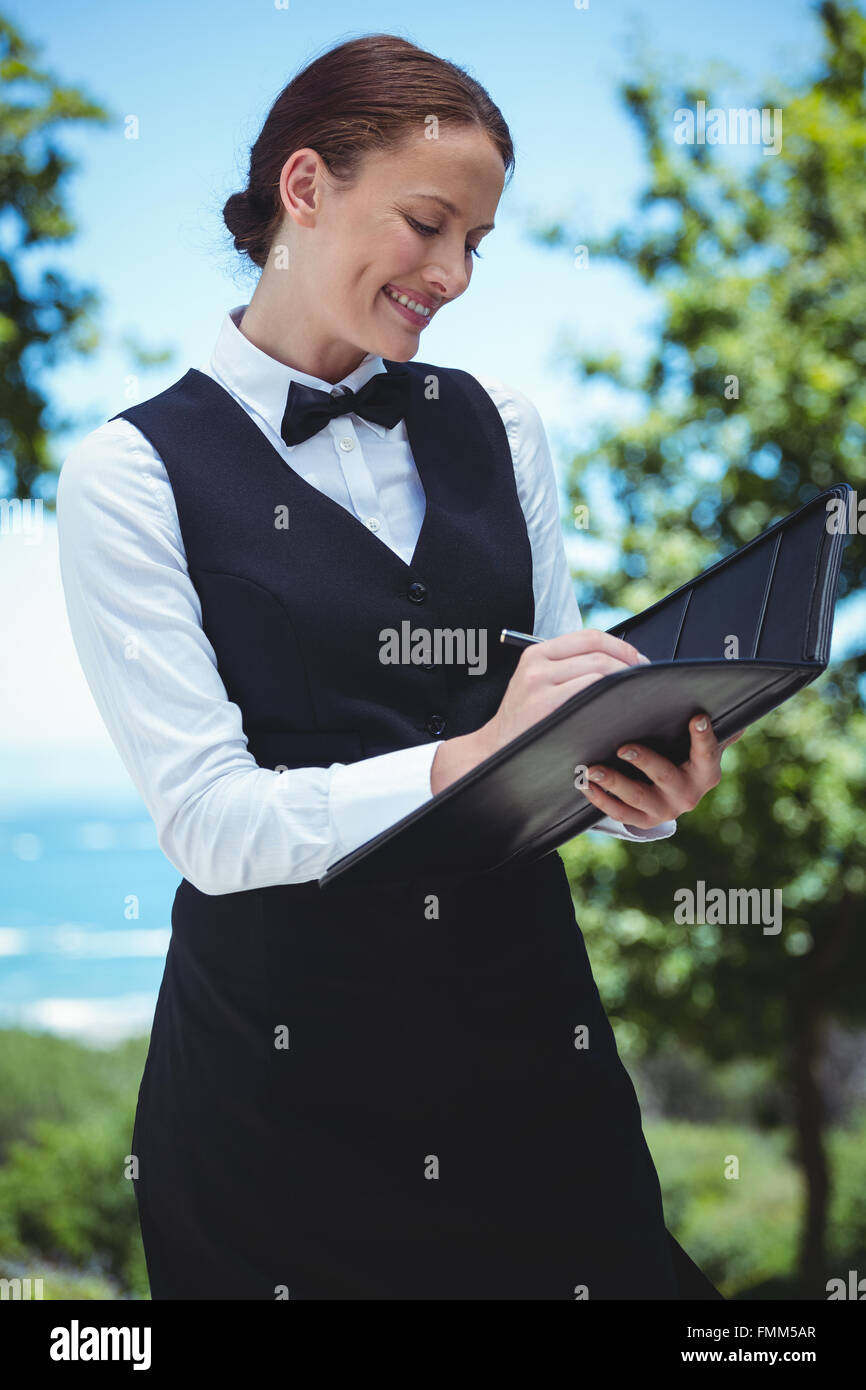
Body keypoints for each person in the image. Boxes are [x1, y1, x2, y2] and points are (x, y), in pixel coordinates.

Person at [56, 32, 737, 1300]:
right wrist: (462, 760)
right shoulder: (128, 474)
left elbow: (549, 730)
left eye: (477, 242)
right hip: (280, 1120)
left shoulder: (504, 428)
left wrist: (632, 785)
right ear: (303, 189)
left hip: (536, 1072)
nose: (453, 273)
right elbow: (208, 821)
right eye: (427, 224)